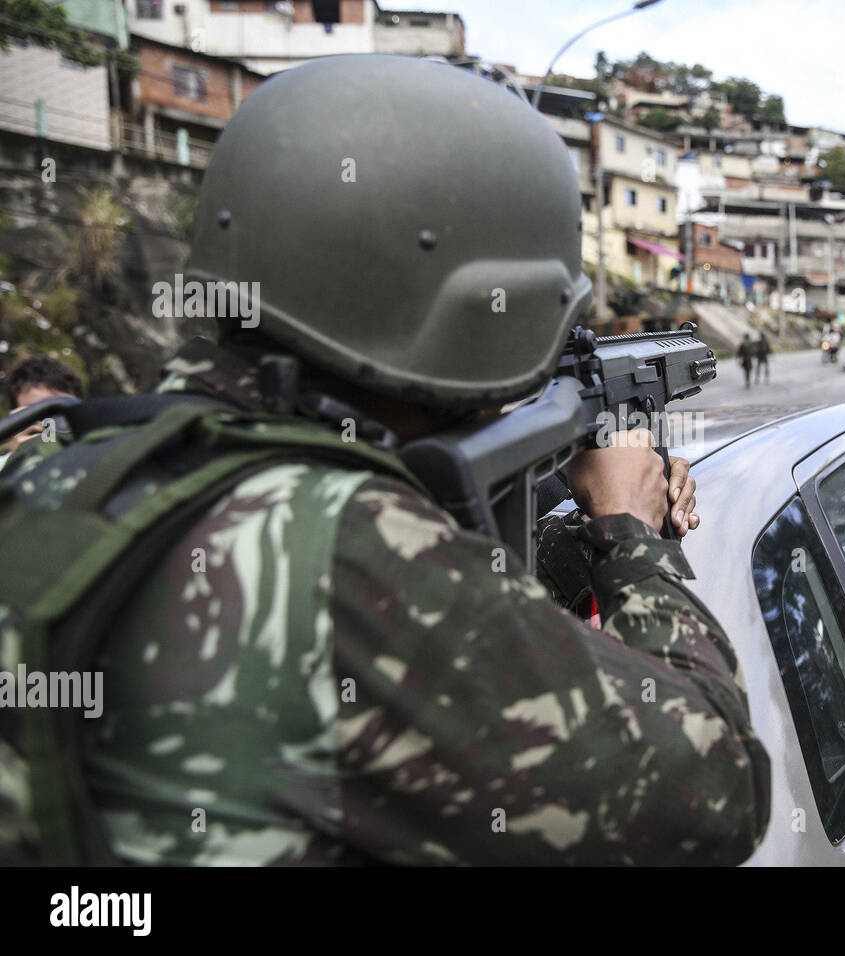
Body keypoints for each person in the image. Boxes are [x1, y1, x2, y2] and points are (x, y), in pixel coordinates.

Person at [0, 56, 770, 866]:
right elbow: (715, 793)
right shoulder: (345, 546)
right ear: (473, 318)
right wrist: (628, 532)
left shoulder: (66, 462)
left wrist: (572, 544)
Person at [2, 355, 83, 449]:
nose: (51, 424)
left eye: (59, 413)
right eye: (39, 415)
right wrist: (21, 456)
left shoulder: (100, 453)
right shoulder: (8, 462)